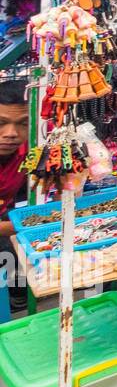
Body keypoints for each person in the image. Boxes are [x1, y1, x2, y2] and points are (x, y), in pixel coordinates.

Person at [0, 80, 29, 317]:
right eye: (1, 123)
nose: (11, 133)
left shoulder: (34, 146)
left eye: (23, 124)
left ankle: (18, 297)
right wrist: (14, 228)